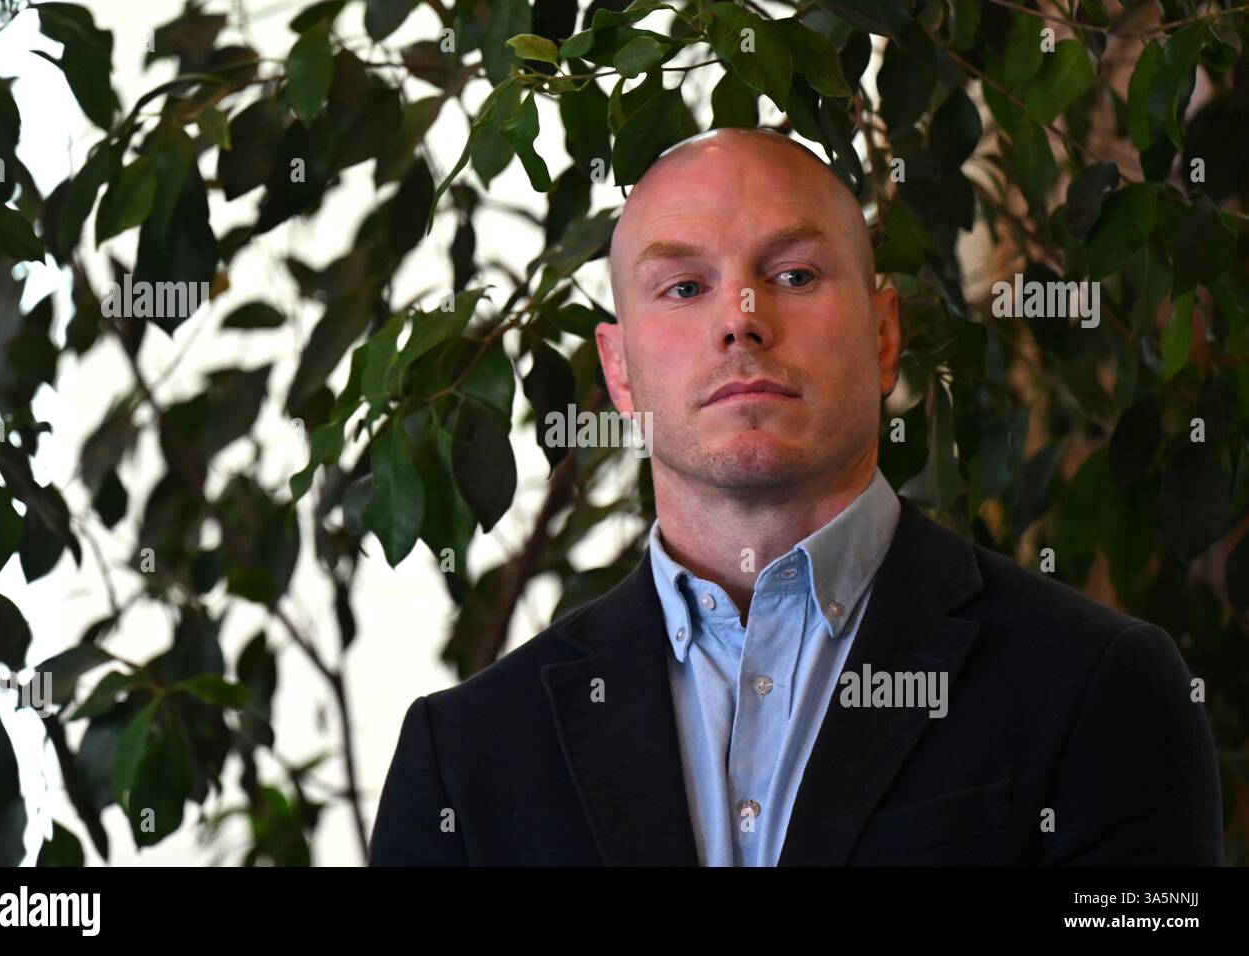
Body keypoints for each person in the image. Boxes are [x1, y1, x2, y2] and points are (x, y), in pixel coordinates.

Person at [367, 127, 1222, 866]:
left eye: (797, 274)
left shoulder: (1098, 689)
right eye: (685, 287)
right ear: (619, 372)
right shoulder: (468, 756)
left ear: (885, 337)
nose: (741, 317)